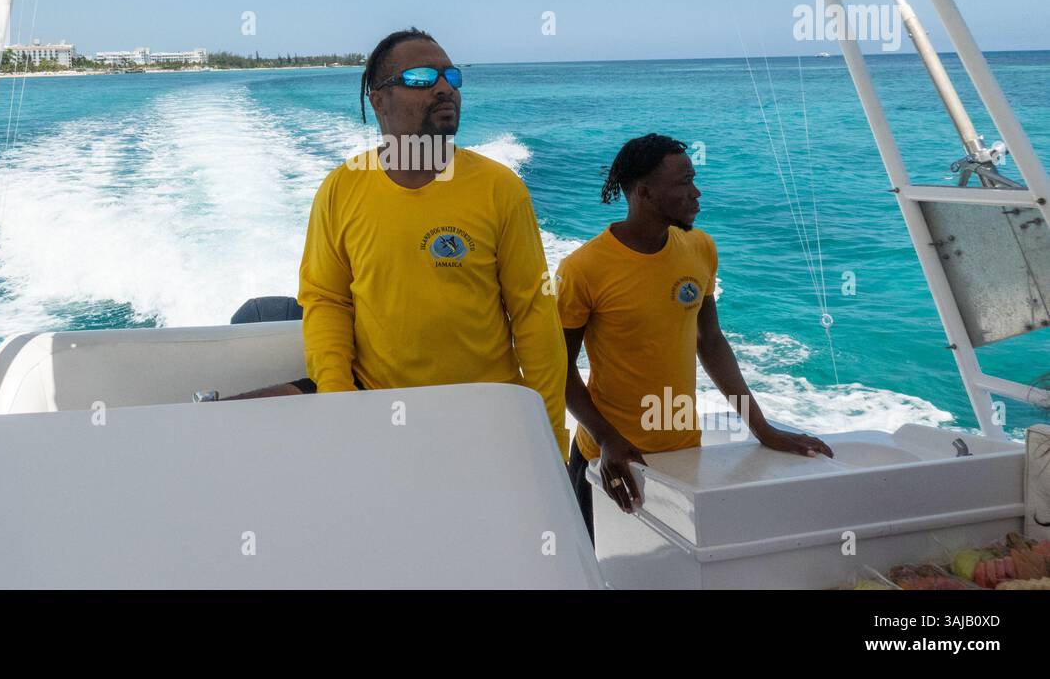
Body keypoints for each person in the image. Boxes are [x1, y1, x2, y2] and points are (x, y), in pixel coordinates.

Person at [295, 28, 569, 456]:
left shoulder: (500, 188)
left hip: (487, 422)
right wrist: (337, 398)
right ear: (378, 99)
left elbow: (534, 315)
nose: (444, 88)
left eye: (451, 77)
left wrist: (548, 437)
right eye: (422, 78)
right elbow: (326, 299)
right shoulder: (342, 188)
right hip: (381, 417)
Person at [557, 133, 832, 539]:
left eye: (693, 179)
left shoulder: (700, 247)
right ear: (645, 192)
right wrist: (608, 438)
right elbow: (558, 366)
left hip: (684, 452)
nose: (696, 192)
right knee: (596, 570)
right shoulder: (584, 268)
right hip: (608, 459)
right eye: (683, 182)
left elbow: (712, 341)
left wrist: (763, 428)